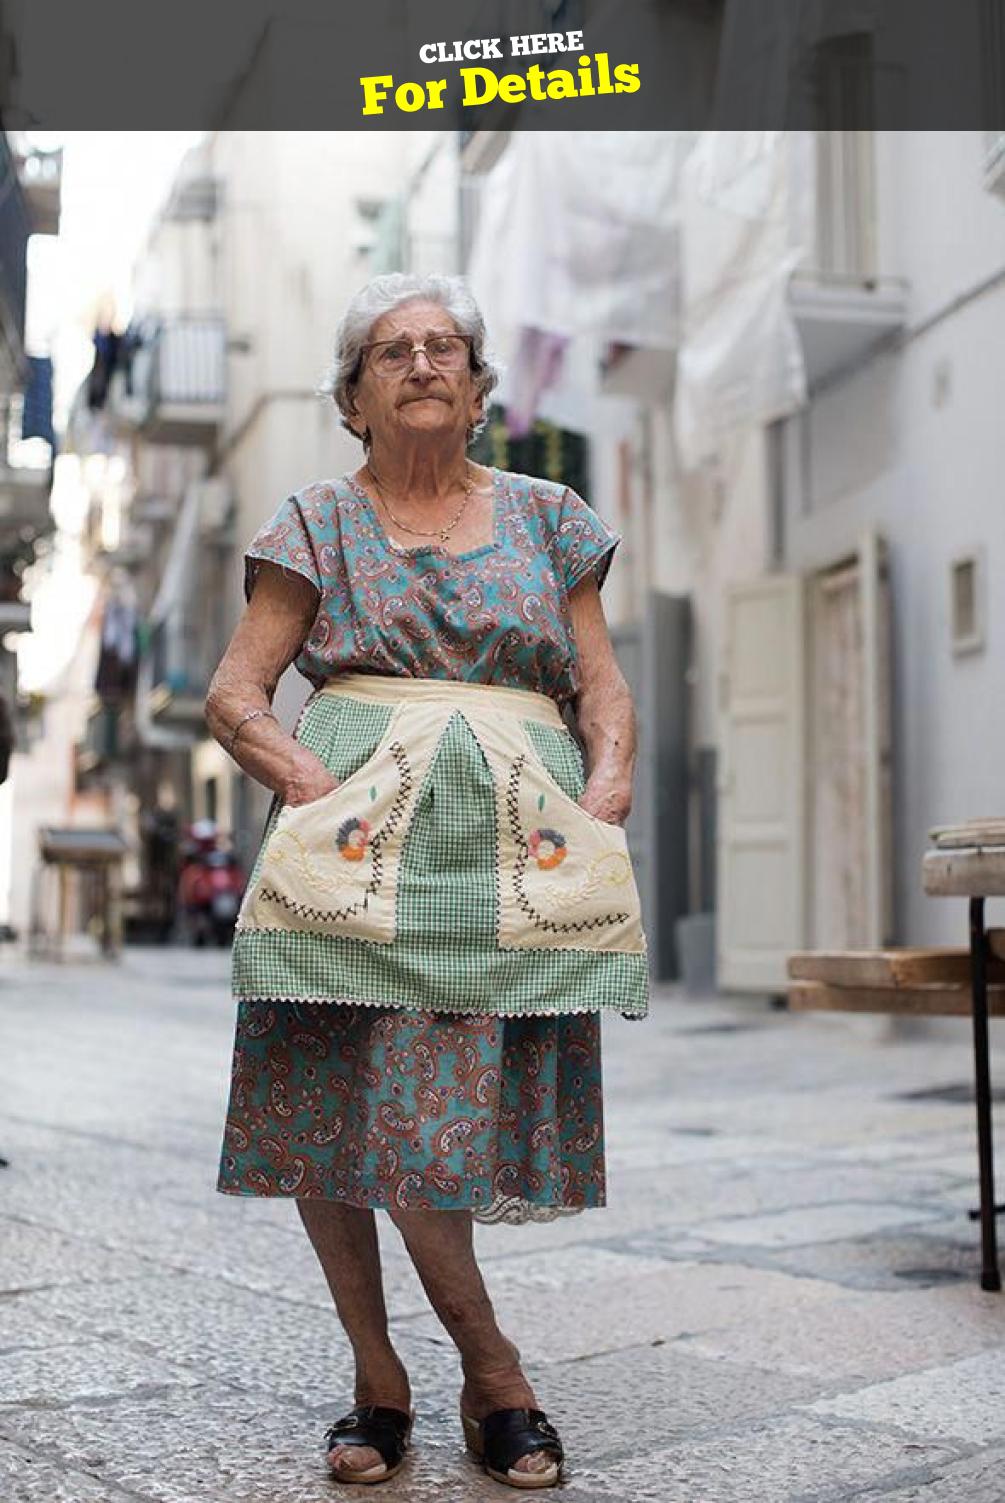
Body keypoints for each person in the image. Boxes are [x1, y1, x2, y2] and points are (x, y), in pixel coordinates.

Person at [205, 272, 648, 1489]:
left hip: (505, 844)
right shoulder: (314, 524)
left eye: (443, 346)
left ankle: (461, 1377)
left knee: (420, 1103)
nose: (420, 363)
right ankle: (424, 1377)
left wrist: (605, 784)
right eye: (390, 351)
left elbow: (600, 685)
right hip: (352, 839)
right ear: (353, 396)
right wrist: (307, 781)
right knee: (331, 1105)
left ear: (479, 384)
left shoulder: (551, 515)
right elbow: (235, 695)